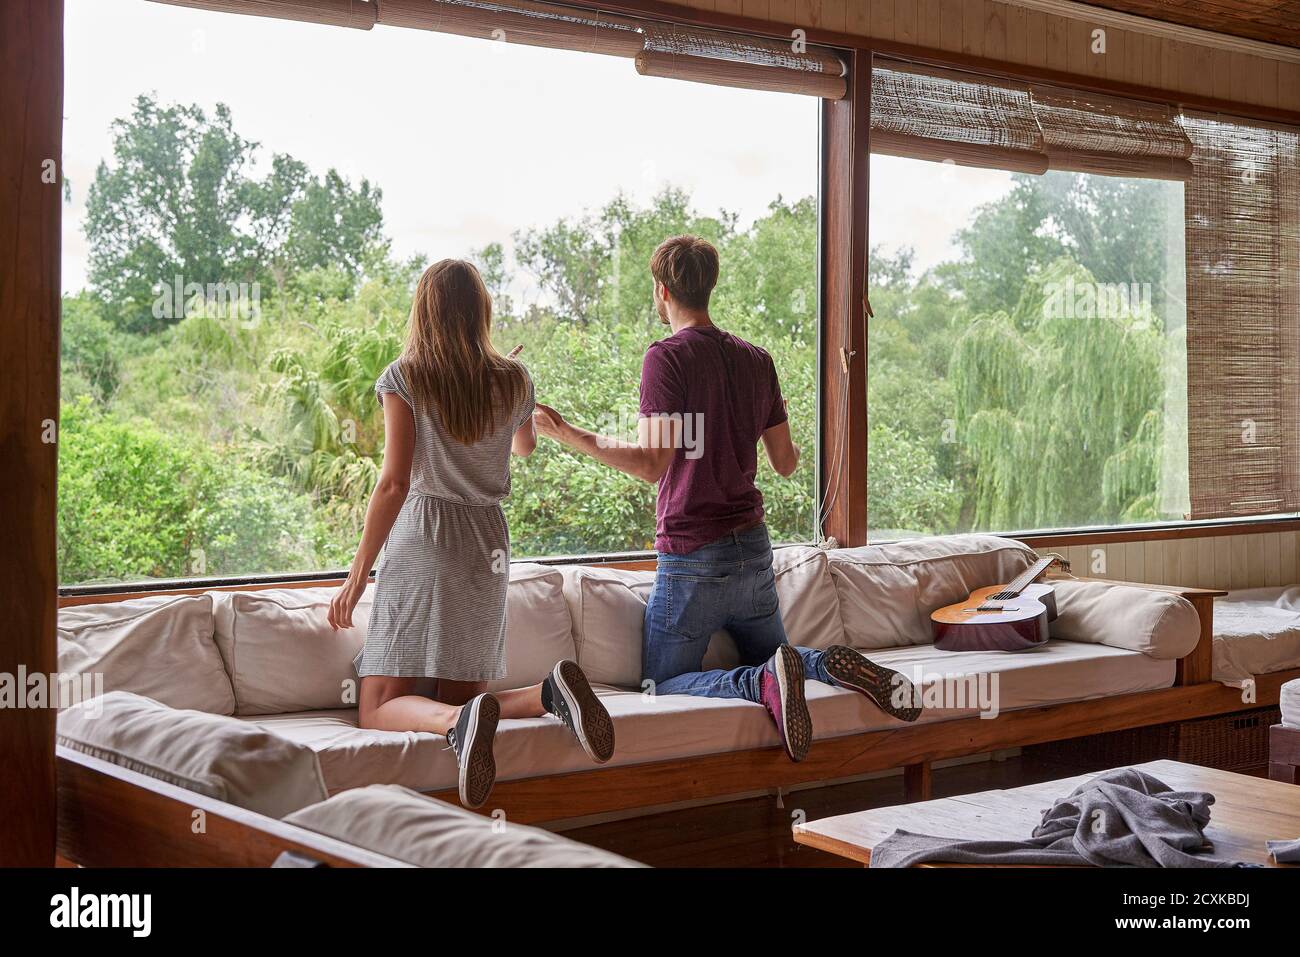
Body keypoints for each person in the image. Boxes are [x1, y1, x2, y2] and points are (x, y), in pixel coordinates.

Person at [533, 236, 920, 763]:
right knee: (780, 656)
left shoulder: (666, 358)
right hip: (753, 552)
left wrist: (567, 434)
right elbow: (786, 462)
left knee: (660, 685)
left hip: (693, 557)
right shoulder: (757, 360)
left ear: (662, 291)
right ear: (709, 286)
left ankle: (758, 682)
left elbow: (651, 464)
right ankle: (825, 665)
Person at [328, 259, 614, 809]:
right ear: (480, 310)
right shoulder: (514, 379)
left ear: (424, 310)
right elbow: (524, 447)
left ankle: (457, 725)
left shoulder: (405, 376)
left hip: (425, 536)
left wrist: (356, 576)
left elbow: (393, 483)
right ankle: (545, 694)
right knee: (461, 691)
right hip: (487, 543)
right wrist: (513, 389)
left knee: (377, 707)